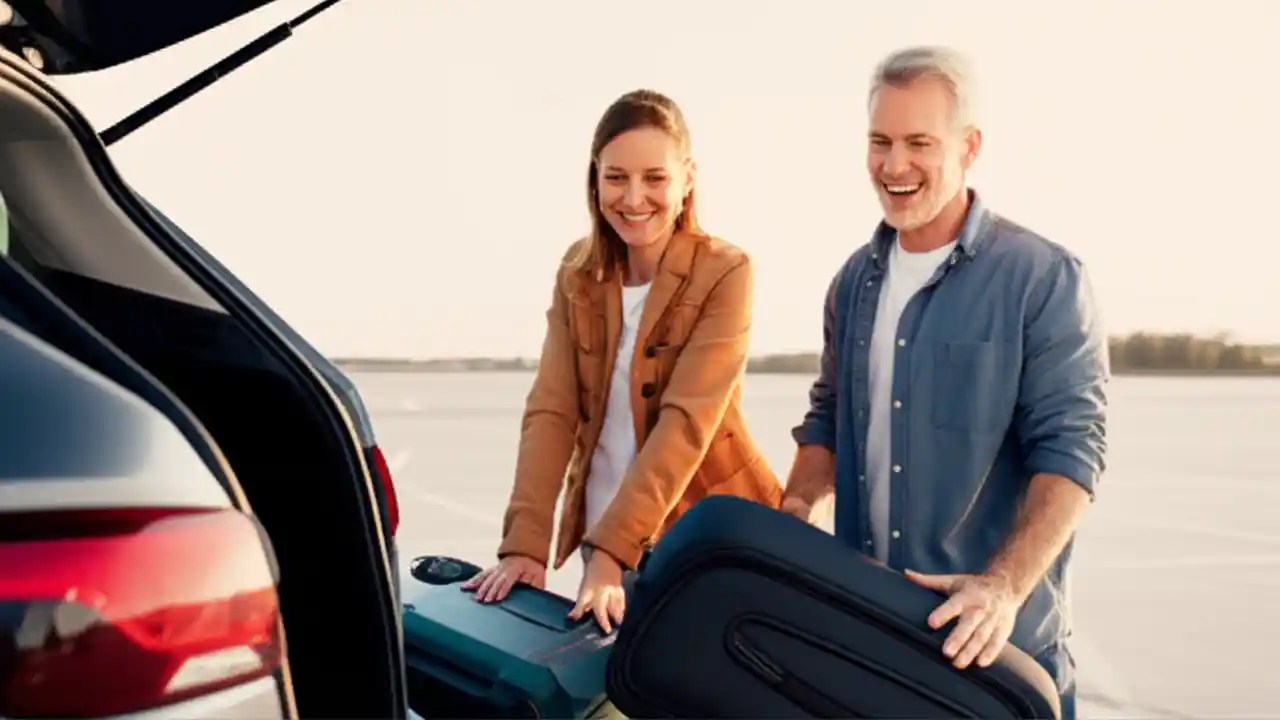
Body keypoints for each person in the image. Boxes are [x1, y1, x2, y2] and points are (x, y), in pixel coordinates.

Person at [782, 46, 1108, 719]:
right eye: (880, 142)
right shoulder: (853, 282)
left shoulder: (1044, 279)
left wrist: (1001, 588)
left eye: (918, 143)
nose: (894, 165)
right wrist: (795, 512)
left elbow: (1072, 456)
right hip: (870, 643)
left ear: (970, 147)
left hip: (993, 658)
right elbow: (828, 417)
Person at [463, 89, 783, 634]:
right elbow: (551, 410)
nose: (634, 197)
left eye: (654, 178)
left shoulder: (727, 270)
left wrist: (613, 553)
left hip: (706, 533)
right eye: (616, 177)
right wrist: (526, 546)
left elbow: (687, 422)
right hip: (601, 533)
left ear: (687, 179)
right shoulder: (577, 272)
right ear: (595, 180)